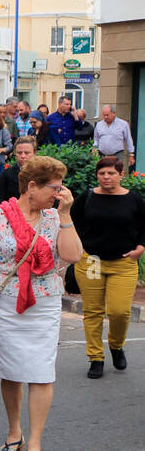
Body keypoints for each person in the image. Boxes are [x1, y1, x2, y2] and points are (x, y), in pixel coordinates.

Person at [0, 156, 82, 451]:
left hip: (43, 304)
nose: (59, 194)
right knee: (11, 371)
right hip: (5, 304)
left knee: (42, 373)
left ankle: (35, 446)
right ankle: (15, 432)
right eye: (54, 188)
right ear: (32, 186)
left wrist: (67, 214)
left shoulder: (55, 217)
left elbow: (72, 256)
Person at [71, 156, 145, 377]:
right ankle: (95, 357)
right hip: (91, 261)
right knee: (93, 312)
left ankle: (115, 345)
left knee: (119, 311)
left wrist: (141, 247)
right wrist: (78, 248)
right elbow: (70, 223)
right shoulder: (87, 198)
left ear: (121, 175)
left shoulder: (134, 200)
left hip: (123, 262)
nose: (106, 177)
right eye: (102, 173)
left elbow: (143, 226)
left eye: (111, 173)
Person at [0, 135, 37, 205]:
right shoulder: (6, 174)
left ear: (34, 153)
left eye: (27, 153)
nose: (23, 156)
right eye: (19, 153)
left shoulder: (42, 174)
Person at [93, 104, 135, 170]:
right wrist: (95, 148)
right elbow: (96, 139)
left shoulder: (123, 124)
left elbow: (128, 139)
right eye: (104, 115)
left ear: (114, 114)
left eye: (107, 115)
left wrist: (131, 154)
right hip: (102, 155)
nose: (105, 117)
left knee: (116, 172)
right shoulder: (99, 124)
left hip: (117, 154)